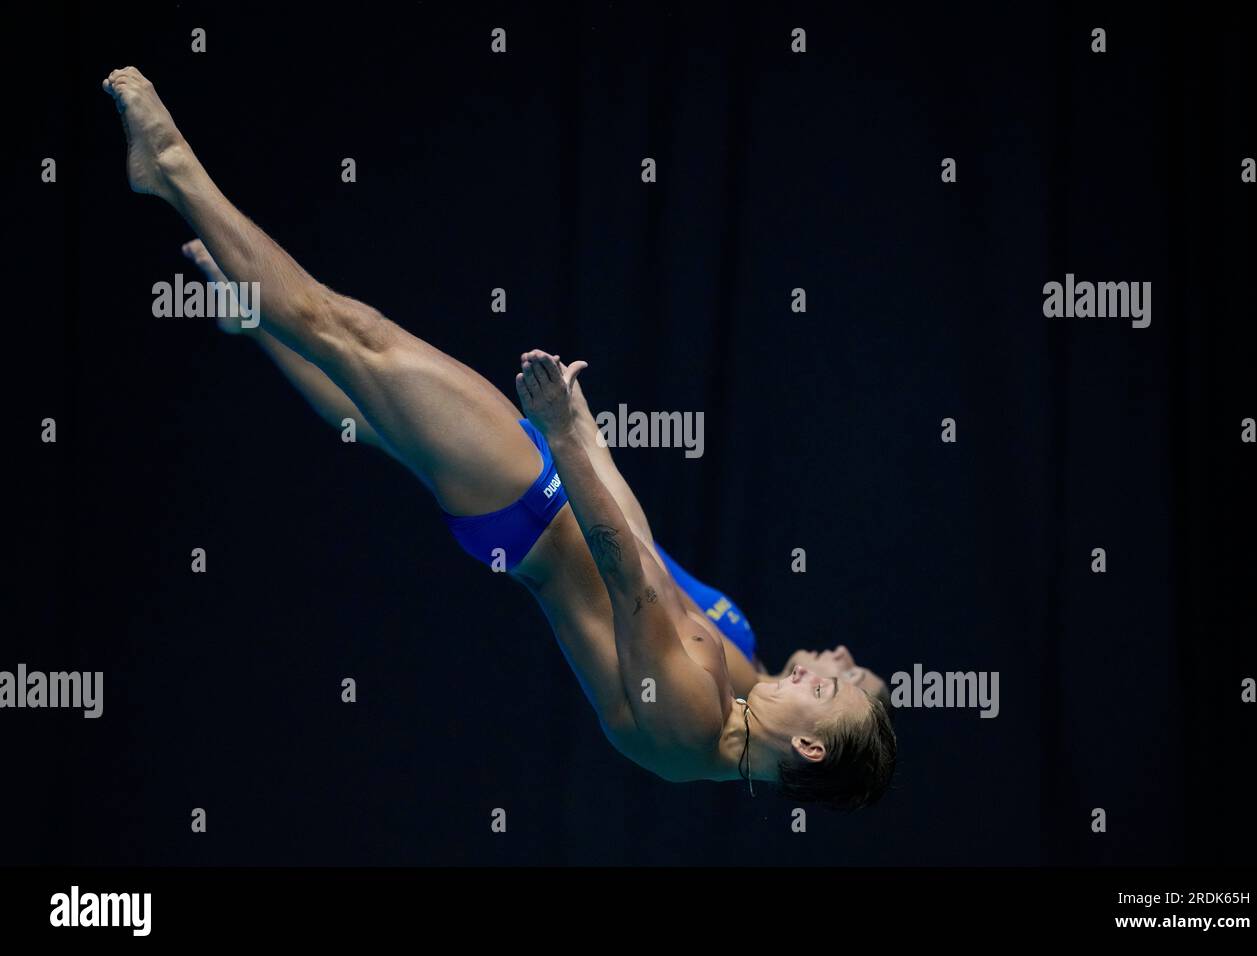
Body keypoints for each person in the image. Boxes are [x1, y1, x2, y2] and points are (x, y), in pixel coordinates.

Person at [105, 66, 895, 809]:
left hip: (526, 500)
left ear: (809, 748)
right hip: (548, 493)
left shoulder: (691, 731)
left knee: (355, 334)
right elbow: (646, 551)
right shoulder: (745, 666)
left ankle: (170, 167)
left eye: (837, 688)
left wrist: (563, 437)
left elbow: (629, 577)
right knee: (363, 412)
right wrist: (581, 435)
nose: (834, 664)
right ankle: (251, 316)